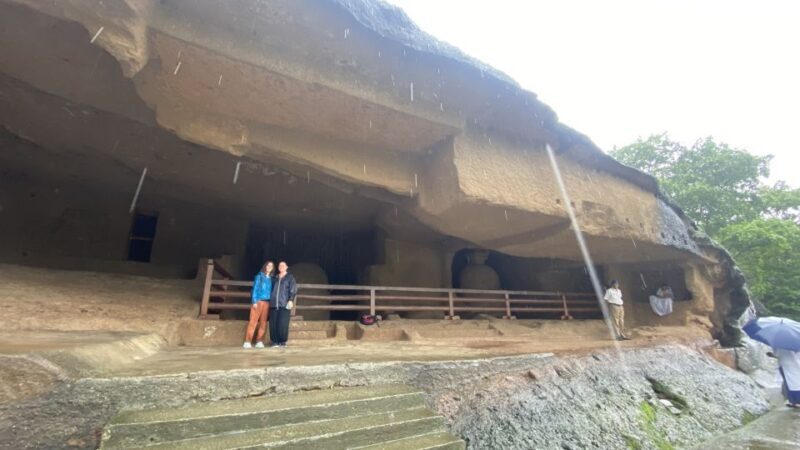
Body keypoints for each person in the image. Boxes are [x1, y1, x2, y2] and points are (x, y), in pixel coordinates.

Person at [243, 261, 273, 349]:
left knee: (263, 322)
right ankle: (247, 341)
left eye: (271, 266)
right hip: (258, 301)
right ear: (265, 266)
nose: (269, 267)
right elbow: (255, 289)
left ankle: (259, 341)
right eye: (268, 265)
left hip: (267, 302)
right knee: (253, 321)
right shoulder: (259, 276)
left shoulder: (271, 278)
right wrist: (254, 301)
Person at [269, 261, 298, 347]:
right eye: (280, 265)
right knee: (273, 323)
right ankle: (274, 341)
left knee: (283, 323)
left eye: (283, 265)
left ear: (286, 267)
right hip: (274, 304)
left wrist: (291, 299)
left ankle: (282, 341)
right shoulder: (275, 278)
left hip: (284, 304)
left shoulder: (289, 277)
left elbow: (293, 289)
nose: (281, 267)